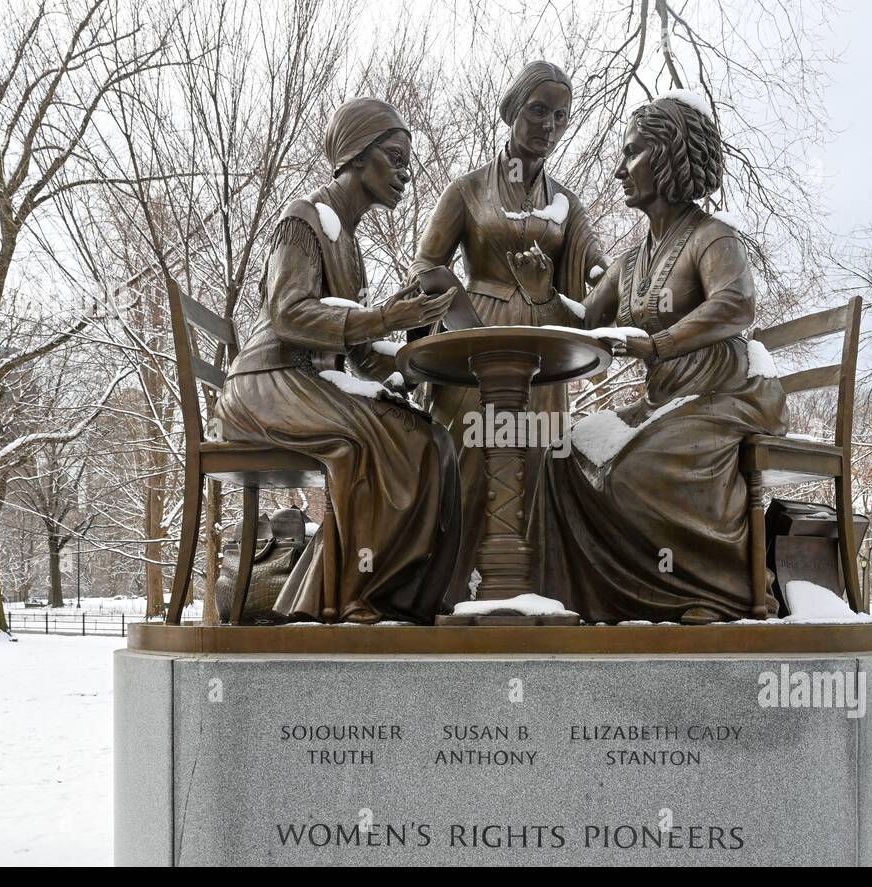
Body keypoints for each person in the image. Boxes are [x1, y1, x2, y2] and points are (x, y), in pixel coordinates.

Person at [519, 92, 789, 623]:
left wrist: (659, 344)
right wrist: (541, 294)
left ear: (668, 158)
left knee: (634, 470)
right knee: (561, 453)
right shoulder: (630, 260)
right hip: (668, 402)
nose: (619, 170)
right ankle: (614, 595)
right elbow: (583, 325)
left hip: (726, 397)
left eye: (633, 154)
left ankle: (720, 593)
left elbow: (736, 304)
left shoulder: (713, 238)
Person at [218, 97, 461, 624]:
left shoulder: (348, 246)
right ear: (355, 155)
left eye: (407, 161)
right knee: (365, 441)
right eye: (394, 157)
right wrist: (382, 318)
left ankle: (401, 591)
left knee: (430, 437)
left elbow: (358, 358)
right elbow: (289, 315)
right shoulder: (302, 220)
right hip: (267, 384)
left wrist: (413, 352)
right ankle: (352, 594)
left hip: (311, 383)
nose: (405, 172)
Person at [411, 61, 607, 606]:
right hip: (473, 345)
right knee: (470, 458)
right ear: (513, 110)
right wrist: (469, 332)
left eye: (561, 116)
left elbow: (597, 276)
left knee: (538, 459)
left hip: (542, 350)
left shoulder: (568, 205)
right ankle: (449, 593)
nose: (549, 124)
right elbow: (429, 264)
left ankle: (531, 590)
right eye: (539, 109)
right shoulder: (469, 189)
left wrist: (613, 278)